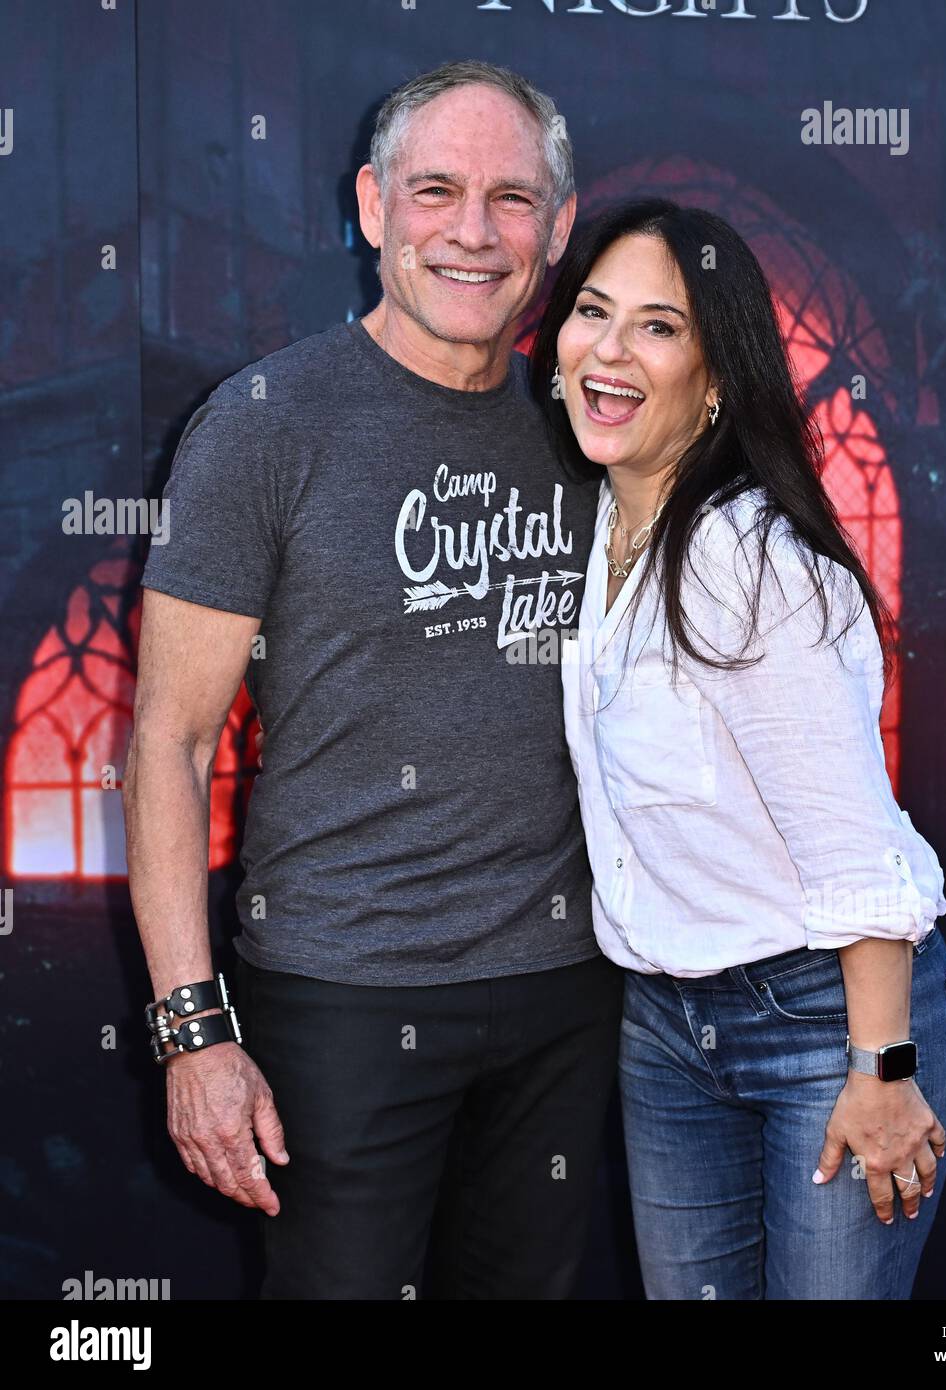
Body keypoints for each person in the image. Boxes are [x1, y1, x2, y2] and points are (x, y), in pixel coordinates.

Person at [124, 60, 623, 1300]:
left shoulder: (597, 432)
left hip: (569, 996)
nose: (472, 231)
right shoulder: (264, 423)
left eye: (512, 199)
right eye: (435, 190)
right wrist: (195, 1033)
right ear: (370, 205)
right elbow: (167, 747)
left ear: (560, 227)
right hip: (337, 1003)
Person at [528, 199, 946, 1300]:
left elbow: (854, 849)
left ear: (718, 377)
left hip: (826, 1020)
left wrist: (883, 1067)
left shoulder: (745, 558)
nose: (611, 349)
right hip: (669, 1027)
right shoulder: (598, 524)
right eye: (592, 312)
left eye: (660, 326)